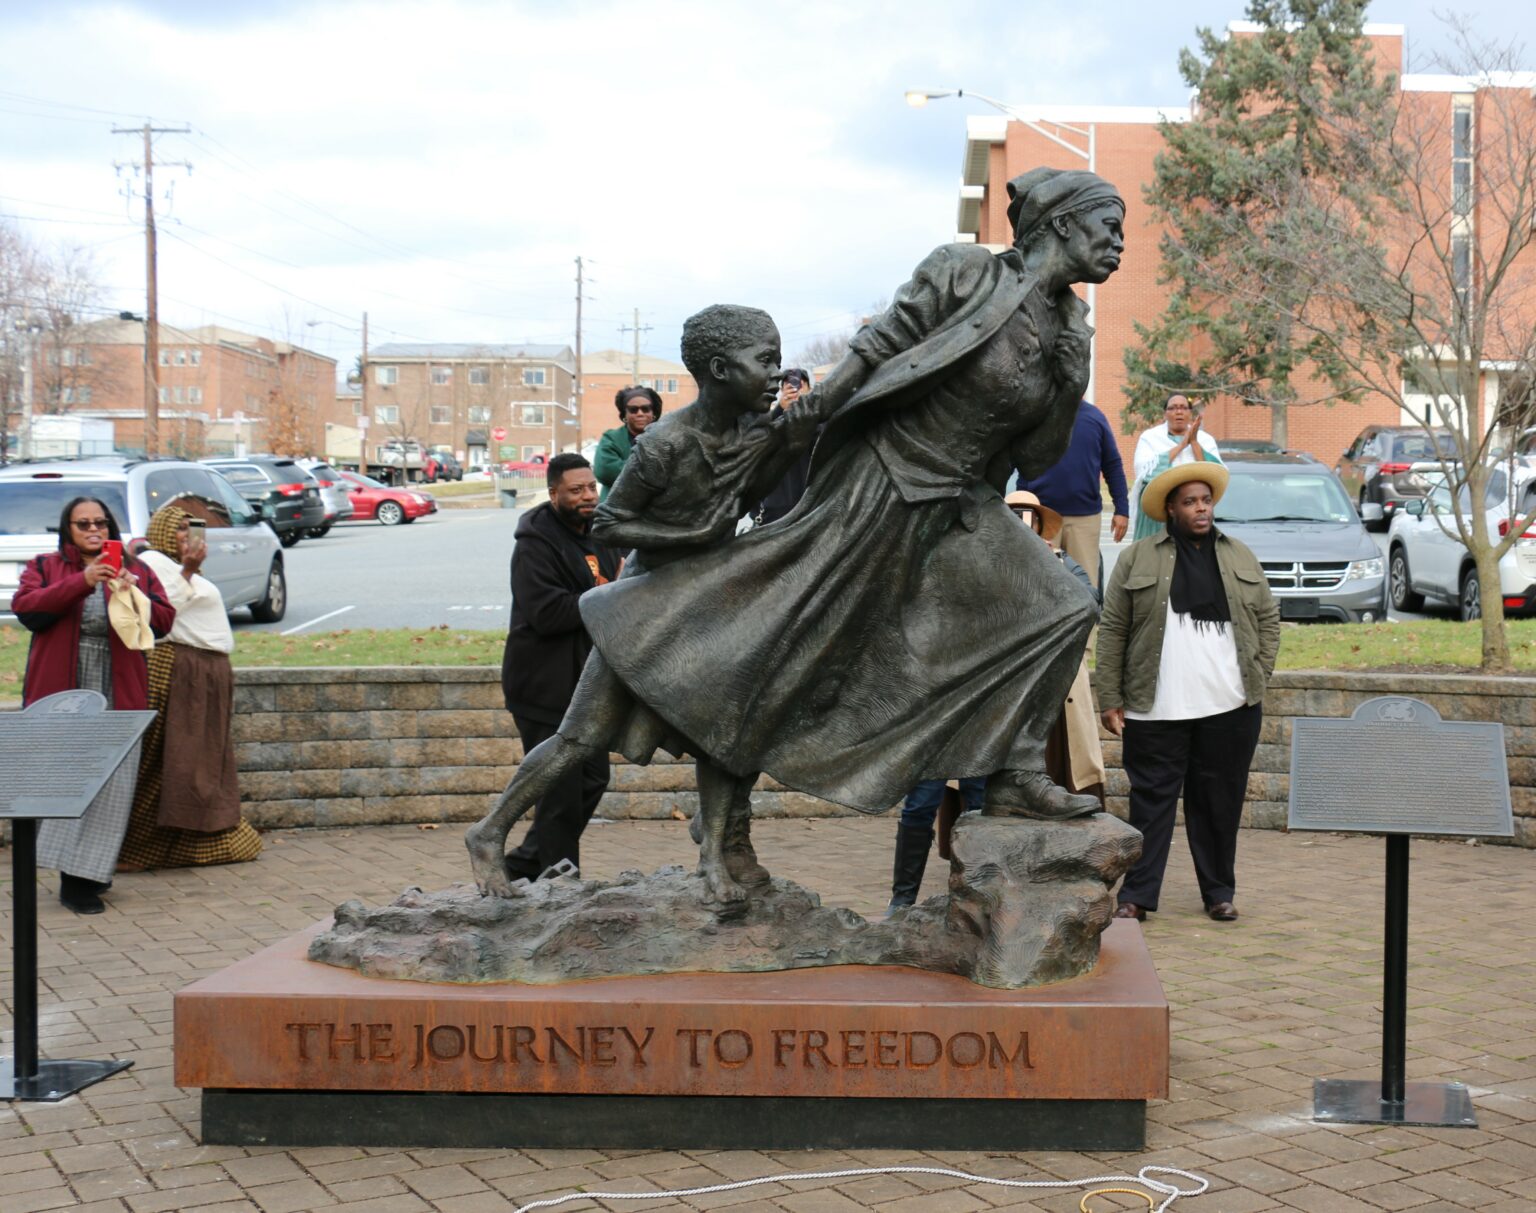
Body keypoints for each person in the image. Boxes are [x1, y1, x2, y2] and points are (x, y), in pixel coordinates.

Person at [467, 304, 822, 903]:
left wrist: (796, 440)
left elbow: (753, 485)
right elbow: (610, 523)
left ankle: (714, 856)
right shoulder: (665, 443)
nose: (776, 373)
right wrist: (692, 534)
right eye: (765, 361)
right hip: (647, 609)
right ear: (719, 369)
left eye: (778, 360)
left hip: (706, 603)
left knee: (724, 733)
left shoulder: (750, 432)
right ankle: (488, 832)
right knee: (580, 738)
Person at [1094, 462, 1280, 923]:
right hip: (1156, 706)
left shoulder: (1239, 555)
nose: (1201, 509)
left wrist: (1258, 673)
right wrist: (1110, 696)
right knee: (1149, 804)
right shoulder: (1137, 558)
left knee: (1219, 804)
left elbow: (1268, 618)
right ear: (1171, 510)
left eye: (1206, 500)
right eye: (1190, 502)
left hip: (1230, 704)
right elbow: (1113, 628)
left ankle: (1218, 892)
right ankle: (1137, 896)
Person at [12, 497, 174, 913]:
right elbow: (27, 609)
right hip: (63, 693)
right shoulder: (45, 566)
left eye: (100, 523)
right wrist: (83, 580)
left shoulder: (137, 569)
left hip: (120, 690)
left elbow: (163, 622)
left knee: (114, 782)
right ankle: (72, 875)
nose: (93, 530)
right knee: (66, 780)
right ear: (68, 529)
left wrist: (135, 594)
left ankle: (87, 875)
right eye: (82, 524)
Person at [116, 503, 262, 871]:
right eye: (179, 528)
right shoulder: (152, 562)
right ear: (162, 532)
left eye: (192, 528)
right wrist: (188, 570)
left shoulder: (177, 567)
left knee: (199, 761)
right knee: (175, 762)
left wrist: (190, 570)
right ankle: (140, 847)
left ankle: (191, 839)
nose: (188, 534)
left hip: (205, 671)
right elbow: (160, 612)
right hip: (181, 668)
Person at [498, 453, 621, 882]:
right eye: (576, 490)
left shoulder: (601, 532)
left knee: (593, 778)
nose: (588, 496)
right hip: (543, 685)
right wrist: (609, 596)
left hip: (586, 688)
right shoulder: (535, 544)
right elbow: (548, 613)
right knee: (559, 793)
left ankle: (523, 865)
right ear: (553, 494)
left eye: (591, 487)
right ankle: (560, 884)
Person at [1015, 398, 1129, 589]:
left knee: (1085, 587)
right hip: (1039, 516)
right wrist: (1022, 507)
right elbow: (1015, 460)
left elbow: (1112, 465)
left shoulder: (1095, 417)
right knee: (1037, 585)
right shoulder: (1036, 414)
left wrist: (1122, 509)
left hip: (1084, 518)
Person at [1129, 393, 1222, 540]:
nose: (1178, 412)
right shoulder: (1150, 438)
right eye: (1173, 408)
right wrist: (1182, 445)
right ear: (1165, 413)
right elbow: (1145, 472)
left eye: (1183, 408)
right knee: (1155, 551)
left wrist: (1194, 442)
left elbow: (1215, 473)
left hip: (1192, 514)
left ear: (1190, 413)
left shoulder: (1205, 439)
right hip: (1156, 514)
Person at [753, 368, 816, 525]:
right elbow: (760, 438)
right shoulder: (770, 418)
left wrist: (807, 408)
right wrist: (780, 409)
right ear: (782, 391)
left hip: (810, 505)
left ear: (809, 389)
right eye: (788, 386)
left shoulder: (819, 418)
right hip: (775, 510)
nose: (794, 390)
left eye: (799, 385)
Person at [593, 386, 663, 500]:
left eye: (645, 409)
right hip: (615, 506)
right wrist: (652, 469)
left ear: (653, 413)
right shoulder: (611, 438)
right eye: (633, 410)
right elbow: (605, 471)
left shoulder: (665, 439)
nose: (640, 413)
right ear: (624, 415)